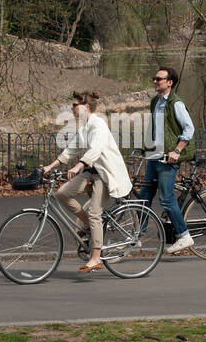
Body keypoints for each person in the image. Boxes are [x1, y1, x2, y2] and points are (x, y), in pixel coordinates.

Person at [42, 91, 132, 273]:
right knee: (63, 193)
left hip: (106, 174)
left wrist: (78, 167)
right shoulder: (83, 126)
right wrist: (50, 167)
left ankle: (96, 258)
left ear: (87, 107)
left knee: (95, 213)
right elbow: (71, 149)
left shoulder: (98, 123)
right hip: (91, 171)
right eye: (72, 105)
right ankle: (86, 225)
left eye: (75, 105)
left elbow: (96, 149)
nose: (72, 108)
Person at [135, 67, 195, 254]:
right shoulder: (155, 102)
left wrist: (177, 151)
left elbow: (189, 129)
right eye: (154, 78)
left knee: (166, 198)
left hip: (168, 159)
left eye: (159, 79)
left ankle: (184, 236)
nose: (155, 81)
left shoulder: (175, 103)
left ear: (170, 82)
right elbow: (156, 129)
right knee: (144, 196)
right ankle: (137, 236)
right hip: (155, 156)